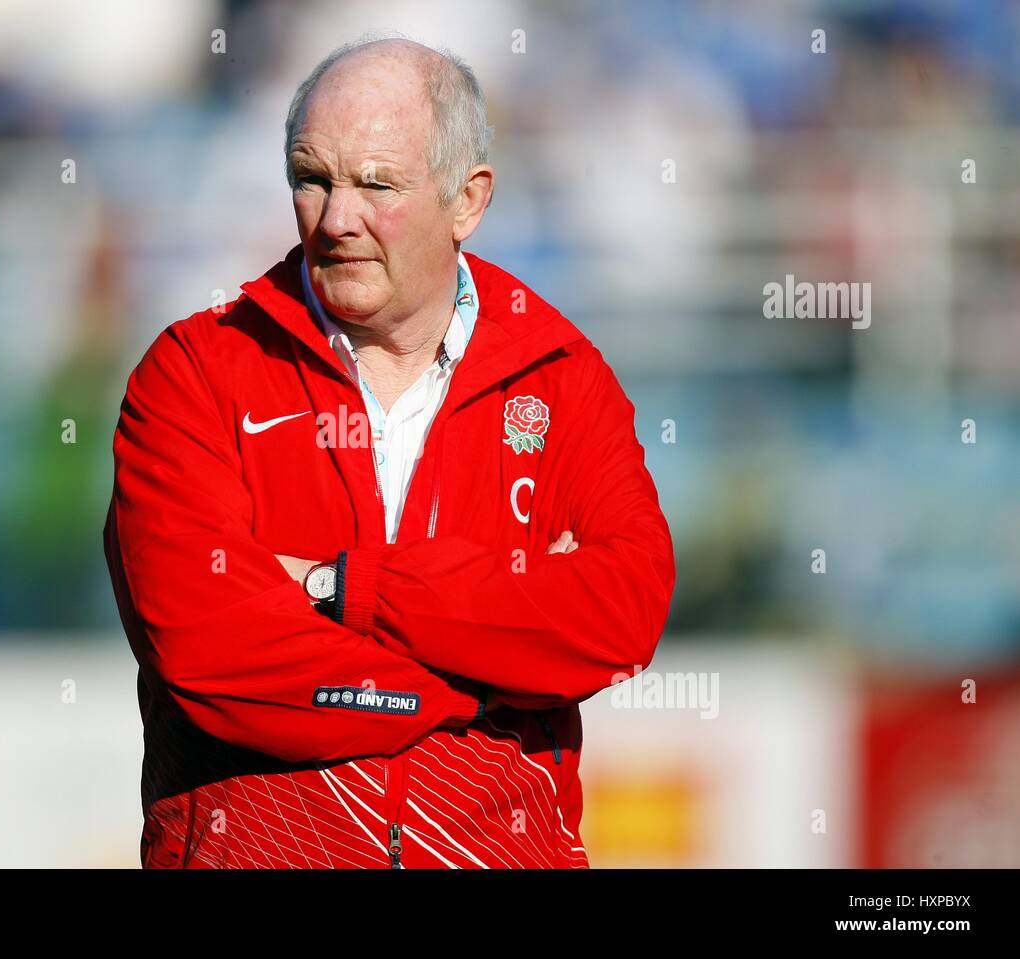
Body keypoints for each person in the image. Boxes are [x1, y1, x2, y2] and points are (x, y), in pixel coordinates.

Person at [103, 36, 676, 868]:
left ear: (467, 200)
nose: (336, 219)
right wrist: (485, 673)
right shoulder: (195, 373)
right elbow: (208, 654)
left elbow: (619, 615)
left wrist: (341, 590)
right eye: (311, 177)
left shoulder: (560, 378)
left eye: (376, 183)